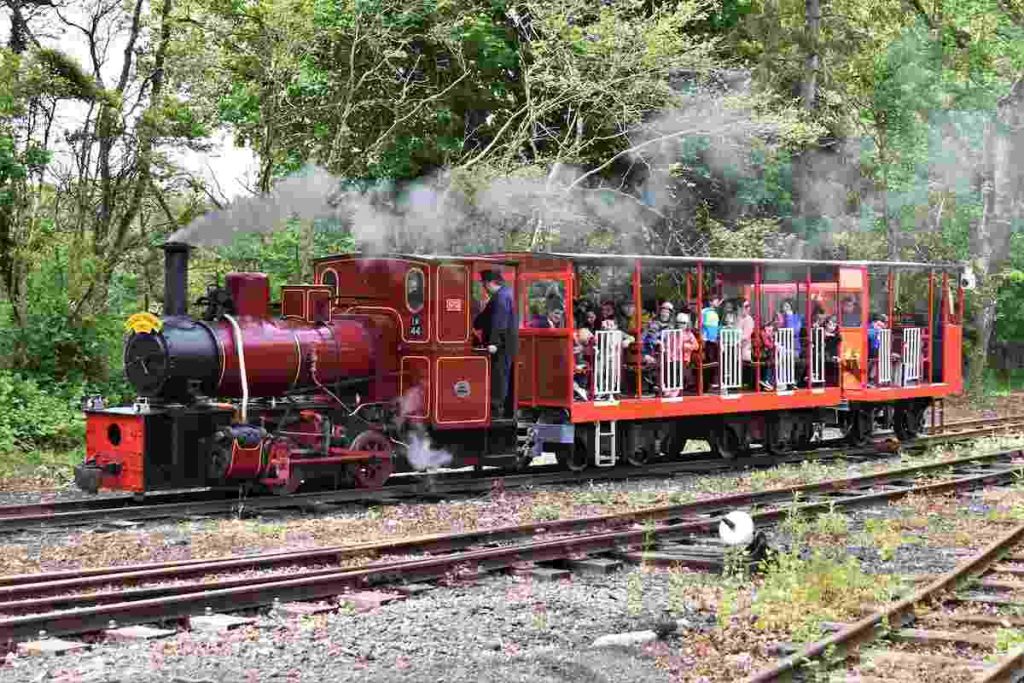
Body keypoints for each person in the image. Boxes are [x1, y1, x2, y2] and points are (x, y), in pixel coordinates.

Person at [473, 270, 519, 418]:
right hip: (507, 345)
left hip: (501, 347)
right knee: (502, 375)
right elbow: (485, 318)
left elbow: (500, 323)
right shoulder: (505, 295)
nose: (484, 288)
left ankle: (495, 411)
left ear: (489, 283)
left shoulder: (501, 298)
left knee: (499, 376)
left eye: (485, 284)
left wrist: (495, 343)